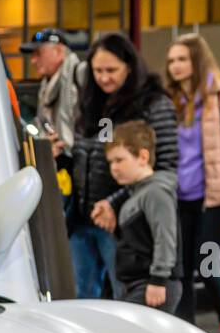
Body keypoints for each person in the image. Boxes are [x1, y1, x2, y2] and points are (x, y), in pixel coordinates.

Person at [70, 32, 178, 300]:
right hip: (84, 218)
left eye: (111, 70)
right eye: (97, 71)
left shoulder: (154, 104)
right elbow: (97, 151)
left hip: (122, 223)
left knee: (124, 297)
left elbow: (164, 167)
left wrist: (113, 203)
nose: (104, 77)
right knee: (82, 296)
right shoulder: (96, 103)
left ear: (129, 67)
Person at [164, 33, 220, 333]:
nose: (175, 66)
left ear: (197, 61)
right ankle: (187, 331)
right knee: (182, 267)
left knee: (207, 261)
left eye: (182, 59)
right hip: (179, 196)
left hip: (213, 197)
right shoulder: (171, 100)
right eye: (171, 60)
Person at [105, 121, 181, 313]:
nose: (113, 168)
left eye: (119, 160)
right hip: (137, 284)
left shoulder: (155, 192)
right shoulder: (137, 193)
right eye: (110, 162)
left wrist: (158, 280)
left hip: (152, 285)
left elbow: (165, 238)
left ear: (143, 156)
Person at [23, 29, 82, 158]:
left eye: (38, 53)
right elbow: (43, 123)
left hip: (76, 160)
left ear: (59, 52)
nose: (33, 60)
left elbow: (103, 121)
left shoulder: (80, 76)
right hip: (59, 159)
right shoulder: (46, 85)